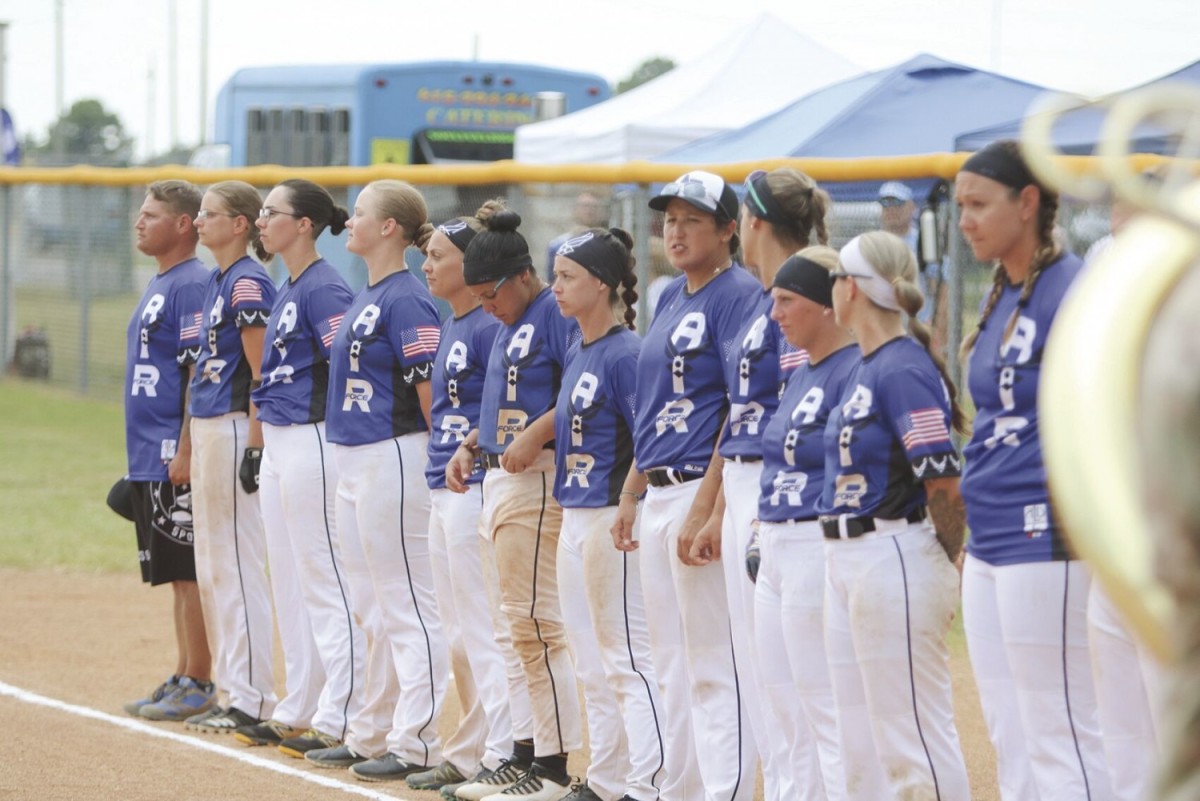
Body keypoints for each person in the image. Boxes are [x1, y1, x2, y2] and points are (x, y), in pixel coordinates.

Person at [955, 140, 1114, 801]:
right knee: (1009, 729)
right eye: (959, 206)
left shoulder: (1071, 288)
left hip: (1045, 530)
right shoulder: (1003, 292)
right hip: (990, 531)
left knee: (1059, 730)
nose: (965, 220)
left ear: (1027, 203)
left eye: (978, 204)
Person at [681, 167, 830, 801]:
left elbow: (801, 403)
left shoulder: (800, 292)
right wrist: (715, 508)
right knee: (759, 667)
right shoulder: (766, 299)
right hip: (745, 485)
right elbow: (739, 413)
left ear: (753, 222)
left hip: (778, 488)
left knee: (791, 676)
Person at [612, 170, 762, 801]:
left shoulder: (740, 295)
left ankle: (725, 791)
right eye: (670, 219)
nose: (675, 231)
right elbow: (653, 408)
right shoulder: (672, 294)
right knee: (671, 662)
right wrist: (632, 491)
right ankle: (679, 789)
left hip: (704, 485)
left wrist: (709, 507)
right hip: (659, 490)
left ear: (728, 229)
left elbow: (739, 406)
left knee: (712, 661)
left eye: (692, 220)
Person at [822, 231, 971, 800]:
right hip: (850, 558)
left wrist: (944, 560)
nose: (831, 287)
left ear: (854, 289)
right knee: (860, 740)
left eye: (837, 277)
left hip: (894, 553)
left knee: (912, 738)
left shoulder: (902, 367)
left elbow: (943, 482)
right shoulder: (867, 365)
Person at [445, 204, 583, 801]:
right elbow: (506, 404)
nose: (486, 306)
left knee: (534, 624)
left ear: (523, 275)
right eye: (477, 296)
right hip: (501, 477)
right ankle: (524, 753)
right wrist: (474, 442)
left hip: (538, 478)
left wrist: (535, 434)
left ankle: (552, 767)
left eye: (490, 293)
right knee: (509, 627)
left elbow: (579, 389)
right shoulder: (509, 321)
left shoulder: (553, 311)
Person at [316, 179, 449, 782]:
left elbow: (430, 394)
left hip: (392, 454)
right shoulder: (370, 293)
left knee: (407, 604)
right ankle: (372, 730)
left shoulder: (407, 298)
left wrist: (439, 467)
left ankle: (418, 739)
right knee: (371, 606)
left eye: (360, 213)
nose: (349, 222)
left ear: (389, 227)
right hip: (353, 457)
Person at [229, 179, 362, 759]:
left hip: (313, 437)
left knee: (323, 575)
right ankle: (301, 705)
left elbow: (346, 365)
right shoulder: (290, 284)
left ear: (304, 224)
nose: (260, 221)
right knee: (288, 577)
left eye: (271, 212)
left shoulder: (325, 286)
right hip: (282, 439)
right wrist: (259, 445)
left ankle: (343, 712)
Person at [405, 211, 535, 797]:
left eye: (438, 255)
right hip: (445, 482)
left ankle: (503, 751)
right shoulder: (455, 323)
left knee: (483, 630)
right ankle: (469, 752)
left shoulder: (487, 325)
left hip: (476, 487)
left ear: (472, 263)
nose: (427, 265)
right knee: (459, 632)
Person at [549, 227, 667, 801]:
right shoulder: (579, 347)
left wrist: (629, 498)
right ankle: (606, 781)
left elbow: (650, 436)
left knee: (626, 659)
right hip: (575, 516)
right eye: (555, 275)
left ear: (601, 283)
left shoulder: (626, 354)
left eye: (567, 276)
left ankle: (649, 784)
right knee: (590, 662)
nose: (555, 287)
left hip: (611, 517)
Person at [753, 247, 857, 801]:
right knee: (785, 706)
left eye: (787, 301)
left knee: (825, 706)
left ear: (826, 305)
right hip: (776, 542)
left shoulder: (855, 368)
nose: (776, 315)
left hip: (815, 541)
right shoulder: (801, 372)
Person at [118, 179, 215, 722]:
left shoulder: (192, 284)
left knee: (189, 571)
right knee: (175, 574)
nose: (139, 221)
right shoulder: (162, 281)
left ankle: (200, 679)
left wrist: (185, 449)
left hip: (169, 452)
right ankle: (183, 673)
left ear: (183, 225)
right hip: (148, 453)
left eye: (151, 215)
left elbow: (198, 373)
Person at [183, 180, 278, 734]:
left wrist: (256, 445)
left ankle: (251, 697)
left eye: (209, 213)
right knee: (215, 565)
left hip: (235, 426)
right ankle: (233, 688)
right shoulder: (220, 279)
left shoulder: (247, 281)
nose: (198, 221)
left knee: (238, 565)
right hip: (210, 425)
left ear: (240, 223)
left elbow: (263, 372)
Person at [544, 191, 608, 280]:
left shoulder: (608, 244)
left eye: (594, 207)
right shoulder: (558, 245)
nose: (589, 211)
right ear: (575, 210)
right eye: (585, 206)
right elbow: (552, 279)